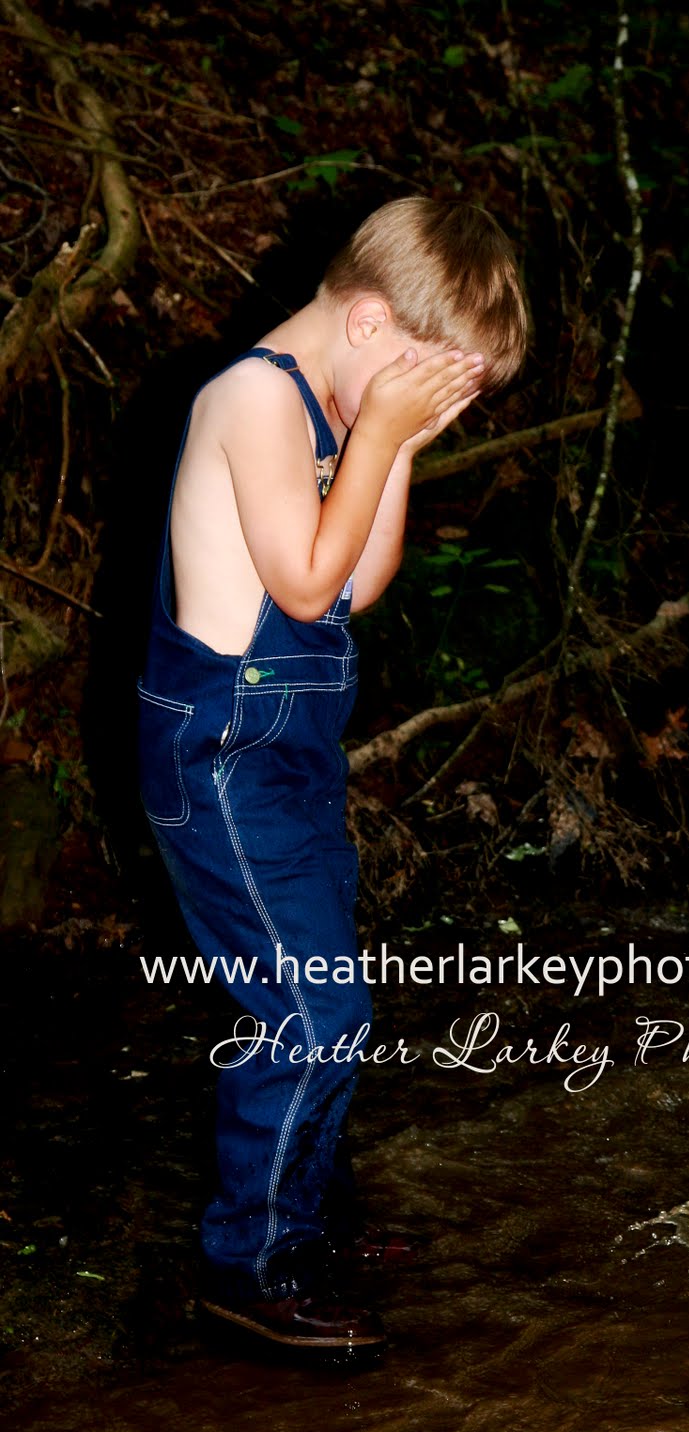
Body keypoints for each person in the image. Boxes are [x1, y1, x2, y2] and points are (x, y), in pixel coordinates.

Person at [137, 198, 527, 1347]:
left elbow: (362, 582)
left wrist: (394, 444)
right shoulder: (254, 399)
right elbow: (306, 585)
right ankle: (245, 1264)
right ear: (368, 322)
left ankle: (302, 1216)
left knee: (328, 995)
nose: (427, 416)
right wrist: (375, 438)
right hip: (220, 750)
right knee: (310, 1008)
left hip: (290, 747)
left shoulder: (337, 403)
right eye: (426, 388)